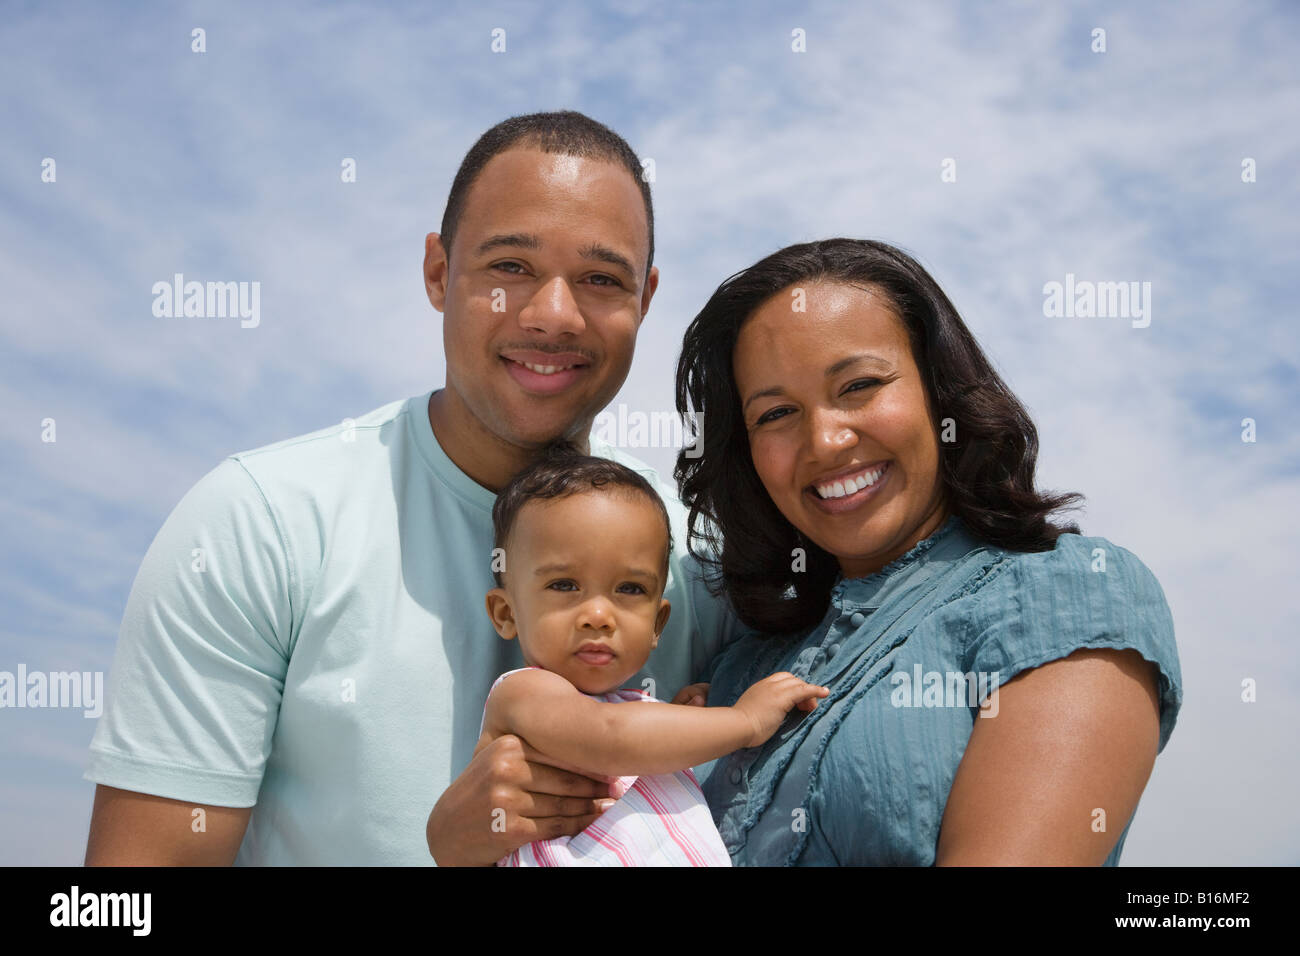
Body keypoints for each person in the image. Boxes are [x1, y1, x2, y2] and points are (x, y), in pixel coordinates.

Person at [82, 111, 742, 865]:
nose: (553, 314)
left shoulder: (700, 560)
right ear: (438, 272)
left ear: (645, 299)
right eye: (510, 267)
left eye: (599, 278)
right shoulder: (259, 524)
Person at [671, 238, 1183, 865]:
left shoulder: (1070, 596)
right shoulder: (737, 666)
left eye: (859, 385)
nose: (826, 441)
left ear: (940, 392)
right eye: (776, 412)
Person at [476, 446, 826, 866]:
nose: (598, 615)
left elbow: (630, 741)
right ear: (506, 613)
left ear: (657, 625)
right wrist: (744, 721)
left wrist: (678, 725)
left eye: (629, 589)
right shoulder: (522, 694)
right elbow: (610, 737)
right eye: (565, 585)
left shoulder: (634, 711)